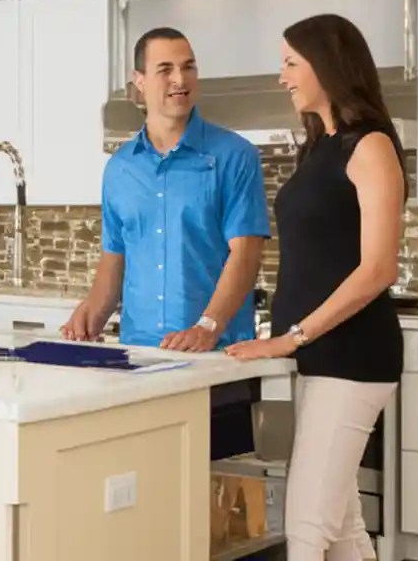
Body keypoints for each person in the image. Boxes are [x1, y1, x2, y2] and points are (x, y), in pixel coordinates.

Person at [226, 14, 406, 561]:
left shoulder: (369, 145)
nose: (281, 77)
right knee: (344, 527)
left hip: (351, 358)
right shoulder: (320, 147)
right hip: (321, 357)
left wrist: (292, 337)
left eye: (290, 63)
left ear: (328, 65)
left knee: (305, 527)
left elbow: (378, 268)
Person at [61, 27, 269, 351]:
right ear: (139, 81)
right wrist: (91, 312)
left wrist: (208, 326)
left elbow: (247, 252)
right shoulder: (120, 168)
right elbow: (114, 257)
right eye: (165, 69)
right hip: (137, 355)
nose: (180, 80)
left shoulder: (235, 157)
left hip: (215, 357)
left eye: (188, 67)